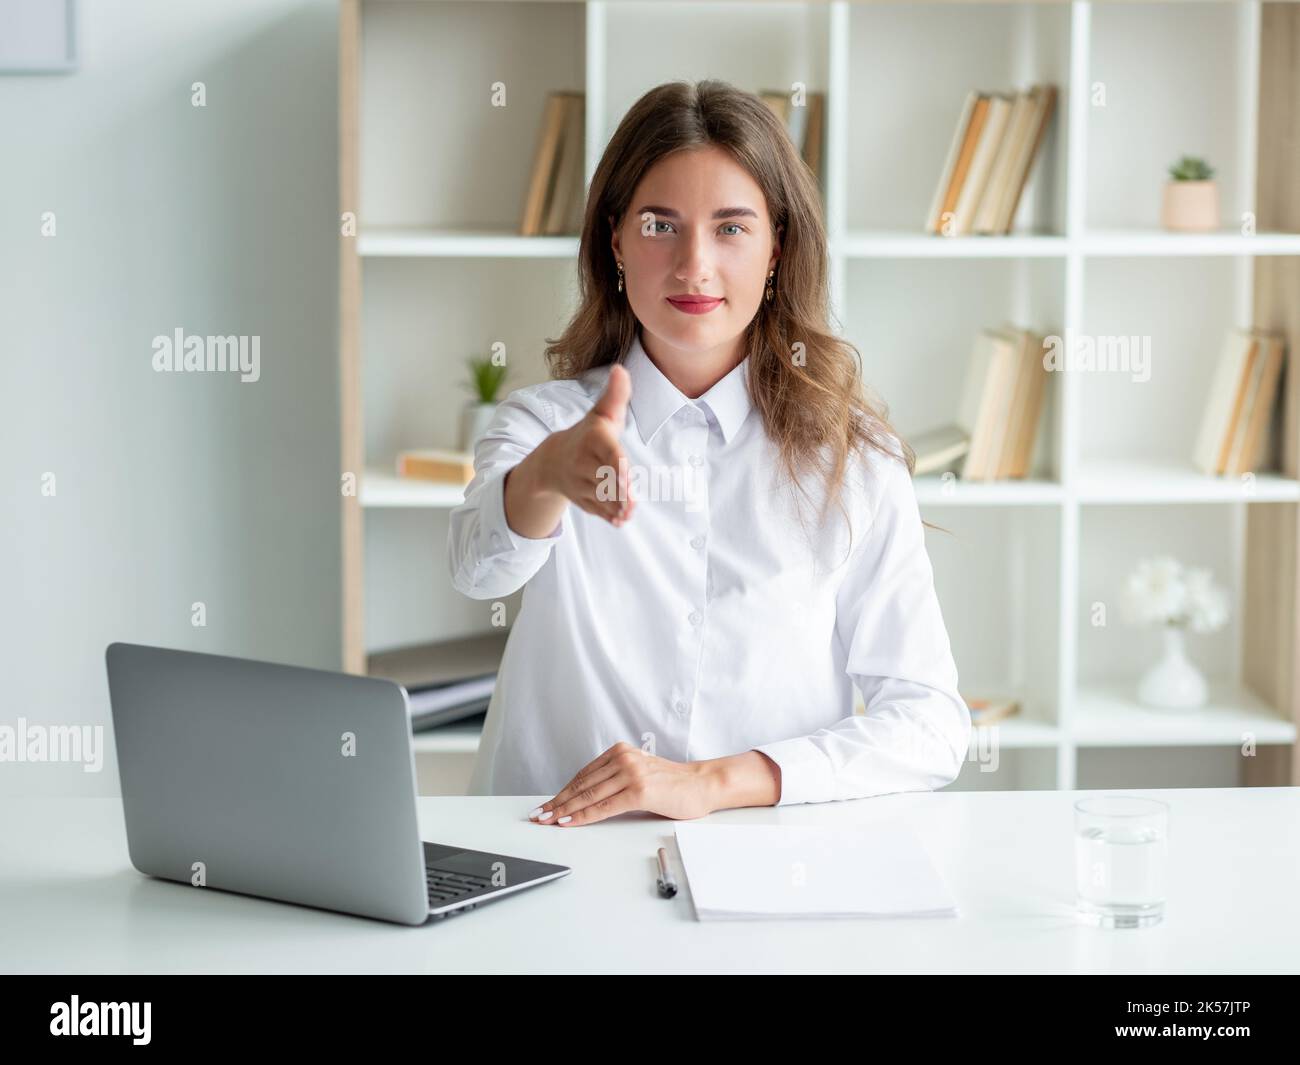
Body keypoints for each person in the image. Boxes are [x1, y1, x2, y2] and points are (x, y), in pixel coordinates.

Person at [448, 79, 970, 826]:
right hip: (549, 856)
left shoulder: (855, 463)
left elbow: (930, 725)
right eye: (661, 225)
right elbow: (478, 569)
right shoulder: (546, 423)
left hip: (767, 862)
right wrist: (548, 477)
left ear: (775, 247)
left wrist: (717, 781)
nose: (695, 266)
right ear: (615, 239)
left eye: (731, 228)